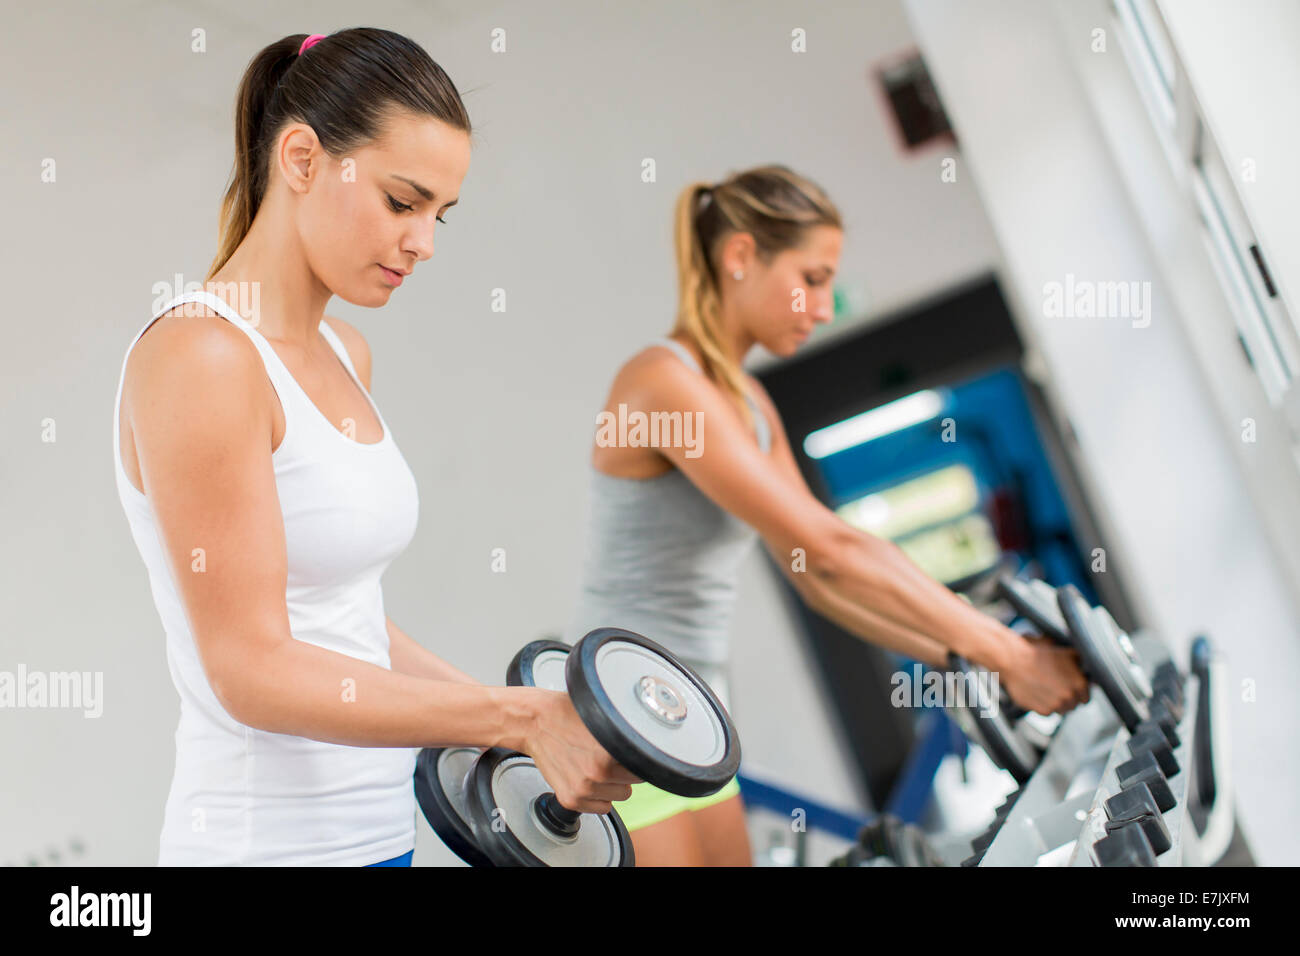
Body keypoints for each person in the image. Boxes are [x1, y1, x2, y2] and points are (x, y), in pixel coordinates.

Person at [113, 28, 638, 866]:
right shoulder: (201, 357)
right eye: (403, 202)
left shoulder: (346, 354)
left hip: (380, 834)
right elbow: (250, 669)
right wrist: (511, 717)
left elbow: (341, 623)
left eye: (440, 214)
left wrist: (524, 722)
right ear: (301, 159)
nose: (424, 242)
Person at [568, 165, 1091, 866]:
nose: (821, 307)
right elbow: (832, 546)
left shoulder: (751, 404)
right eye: (811, 279)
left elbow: (816, 577)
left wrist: (973, 660)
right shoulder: (662, 384)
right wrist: (1007, 654)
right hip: (620, 715)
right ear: (740, 256)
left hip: (695, 712)